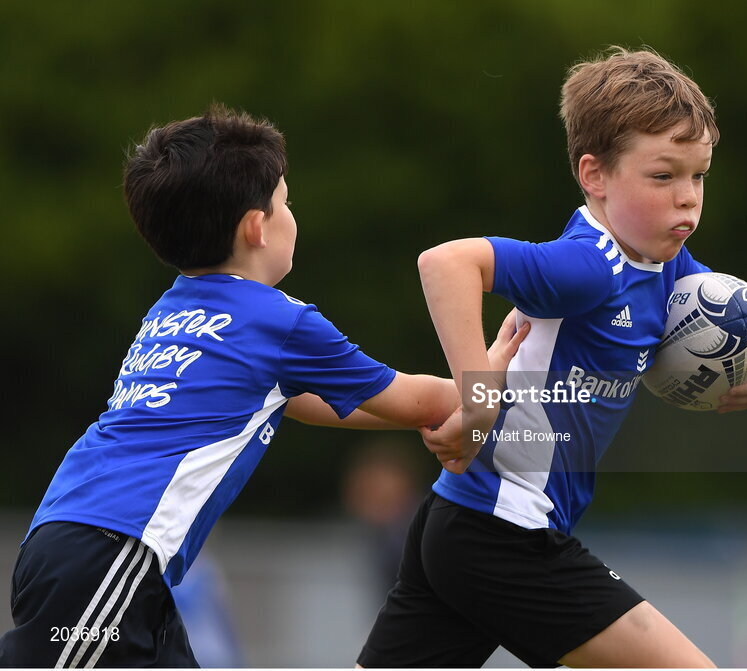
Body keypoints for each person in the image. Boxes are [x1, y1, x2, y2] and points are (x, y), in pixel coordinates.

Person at [0, 104, 525, 667]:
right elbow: (415, 398)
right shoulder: (278, 320)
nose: (291, 215)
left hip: (77, 541)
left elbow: (310, 404)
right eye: (285, 202)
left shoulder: (172, 307)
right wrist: (492, 368)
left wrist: (433, 410)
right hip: (112, 553)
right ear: (256, 225)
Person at [357, 47, 747, 668]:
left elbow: (744, 317)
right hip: (503, 534)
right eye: (663, 176)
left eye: (698, 176)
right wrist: (478, 395)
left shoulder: (663, 262)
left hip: (461, 521)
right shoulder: (591, 266)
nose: (688, 199)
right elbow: (446, 263)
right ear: (594, 176)